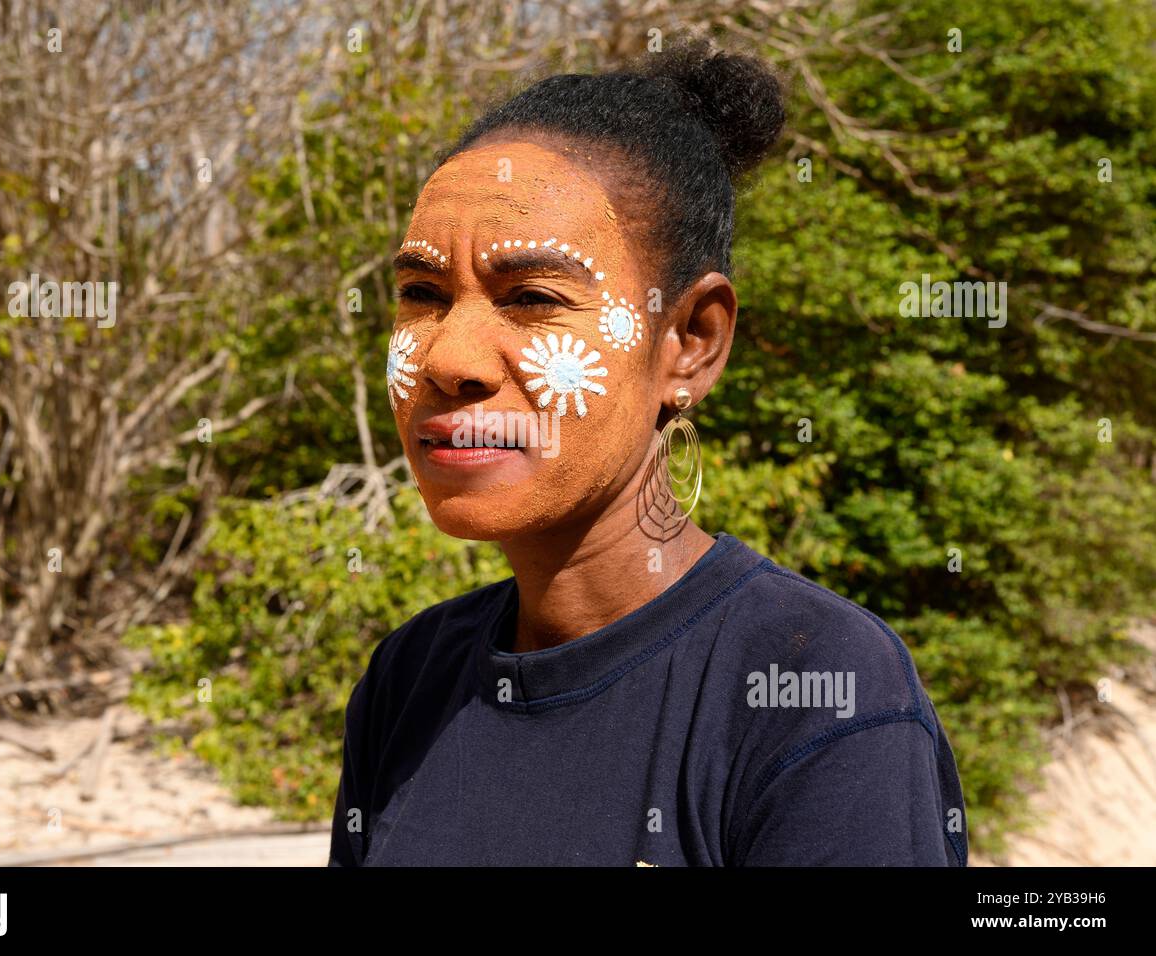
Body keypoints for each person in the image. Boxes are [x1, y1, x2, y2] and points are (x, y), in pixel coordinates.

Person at [329, 37, 967, 866]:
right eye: (423, 294)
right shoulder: (410, 679)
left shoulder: (820, 694)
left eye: (531, 298)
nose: (449, 357)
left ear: (691, 343)